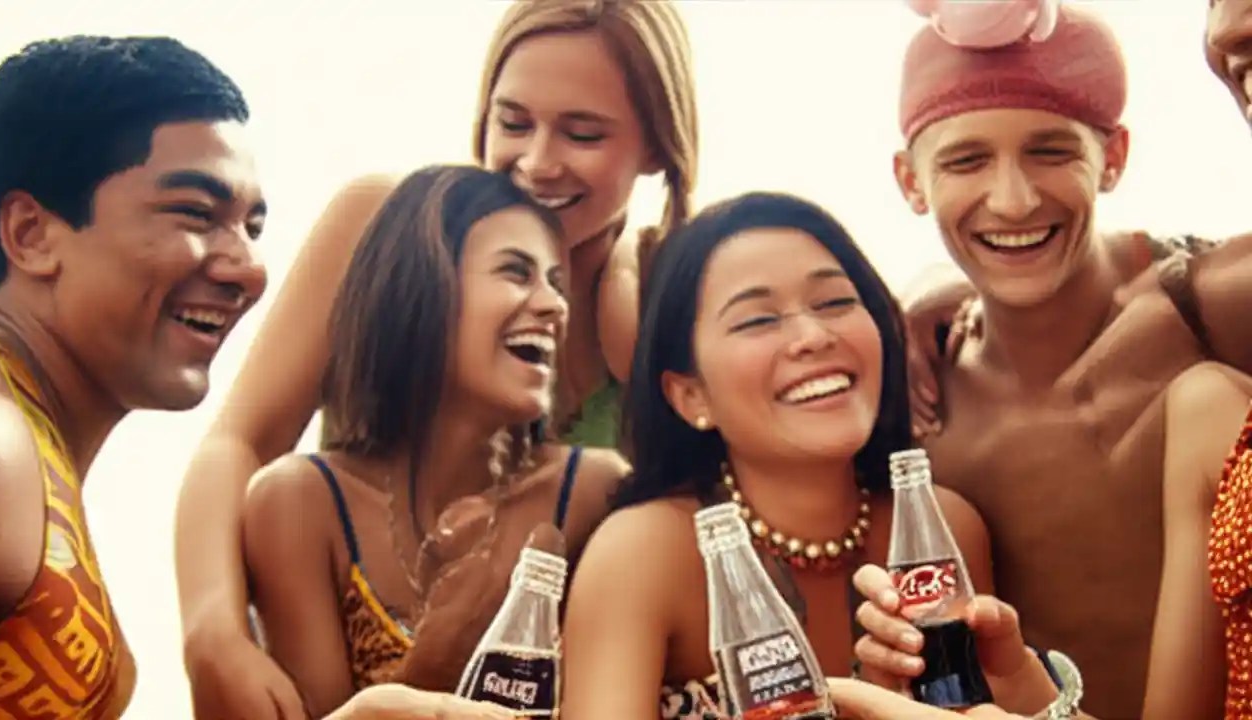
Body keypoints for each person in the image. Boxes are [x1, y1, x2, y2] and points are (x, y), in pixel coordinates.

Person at [175, 3, 698, 715]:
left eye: (582, 133)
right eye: (512, 123)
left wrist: (638, 318)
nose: (536, 162)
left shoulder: (666, 298)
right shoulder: (388, 227)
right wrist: (213, 628)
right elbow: (239, 442)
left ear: (657, 147)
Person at [886, 3, 1252, 715]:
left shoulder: (1206, 308)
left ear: (1112, 158)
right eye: (965, 160)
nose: (1014, 199)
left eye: (1052, 152)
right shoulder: (923, 404)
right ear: (910, 180)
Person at [559, 192, 993, 719]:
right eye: (756, 321)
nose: (813, 336)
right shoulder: (644, 552)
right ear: (690, 395)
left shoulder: (943, 530)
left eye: (834, 303)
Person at [242, 165, 629, 717]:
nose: (553, 306)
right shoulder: (299, 504)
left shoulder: (593, 491)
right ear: (422, 286)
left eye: (557, 284)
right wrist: (437, 658)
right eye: (517, 273)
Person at [0, 35, 266, 718]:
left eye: (253, 226)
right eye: (196, 213)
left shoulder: (19, 444)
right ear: (31, 234)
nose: (247, 267)